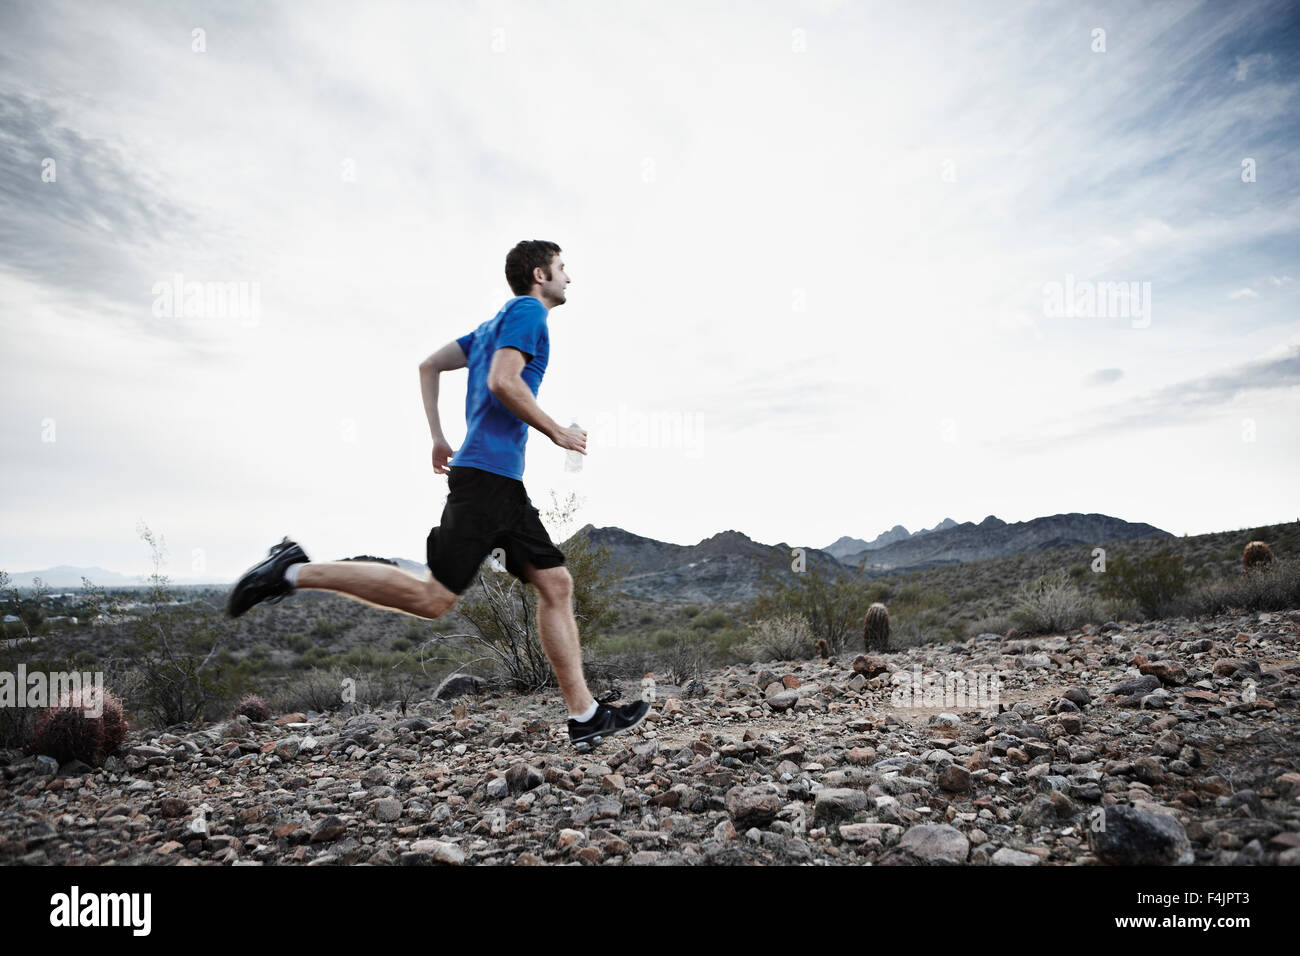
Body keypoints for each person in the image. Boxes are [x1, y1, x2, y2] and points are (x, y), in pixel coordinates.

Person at [227, 240, 649, 752]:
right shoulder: (527, 313)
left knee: (555, 583)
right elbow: (502, 382)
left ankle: (584, 716)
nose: (569, 278)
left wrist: (437, 435)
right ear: (540, 274)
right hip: (486, 482)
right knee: (433, 599)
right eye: (563, 268)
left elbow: (428, 365)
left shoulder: (490, 326)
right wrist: (555, 430)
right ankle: (292, 571)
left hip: (496, 482)